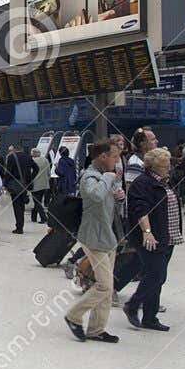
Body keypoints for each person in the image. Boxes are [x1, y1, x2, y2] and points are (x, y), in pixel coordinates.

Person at [62, 139, 121, 343]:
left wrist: (118, 195)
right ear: (103, 156)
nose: (116, 160)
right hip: (93, 237)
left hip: (108, 236)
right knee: (105, 286)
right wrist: (108, 178)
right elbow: (95, 195)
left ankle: (96, 329)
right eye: (114, 156)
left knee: (106, 285)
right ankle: (73, 316)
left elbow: (106, 202)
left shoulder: (105, 177)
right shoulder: (89, 176)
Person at [121, 147, 179, 332]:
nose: (167, 169)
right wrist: (147, 231)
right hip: (150, 237)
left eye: (168, 165)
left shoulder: (164, 182)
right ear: (152, 167)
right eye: (164, 166)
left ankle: (150, 317)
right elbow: (140, 209)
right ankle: (132, 305)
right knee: (156, 275)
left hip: (167, 236)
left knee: (158, 277)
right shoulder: (142, 183)